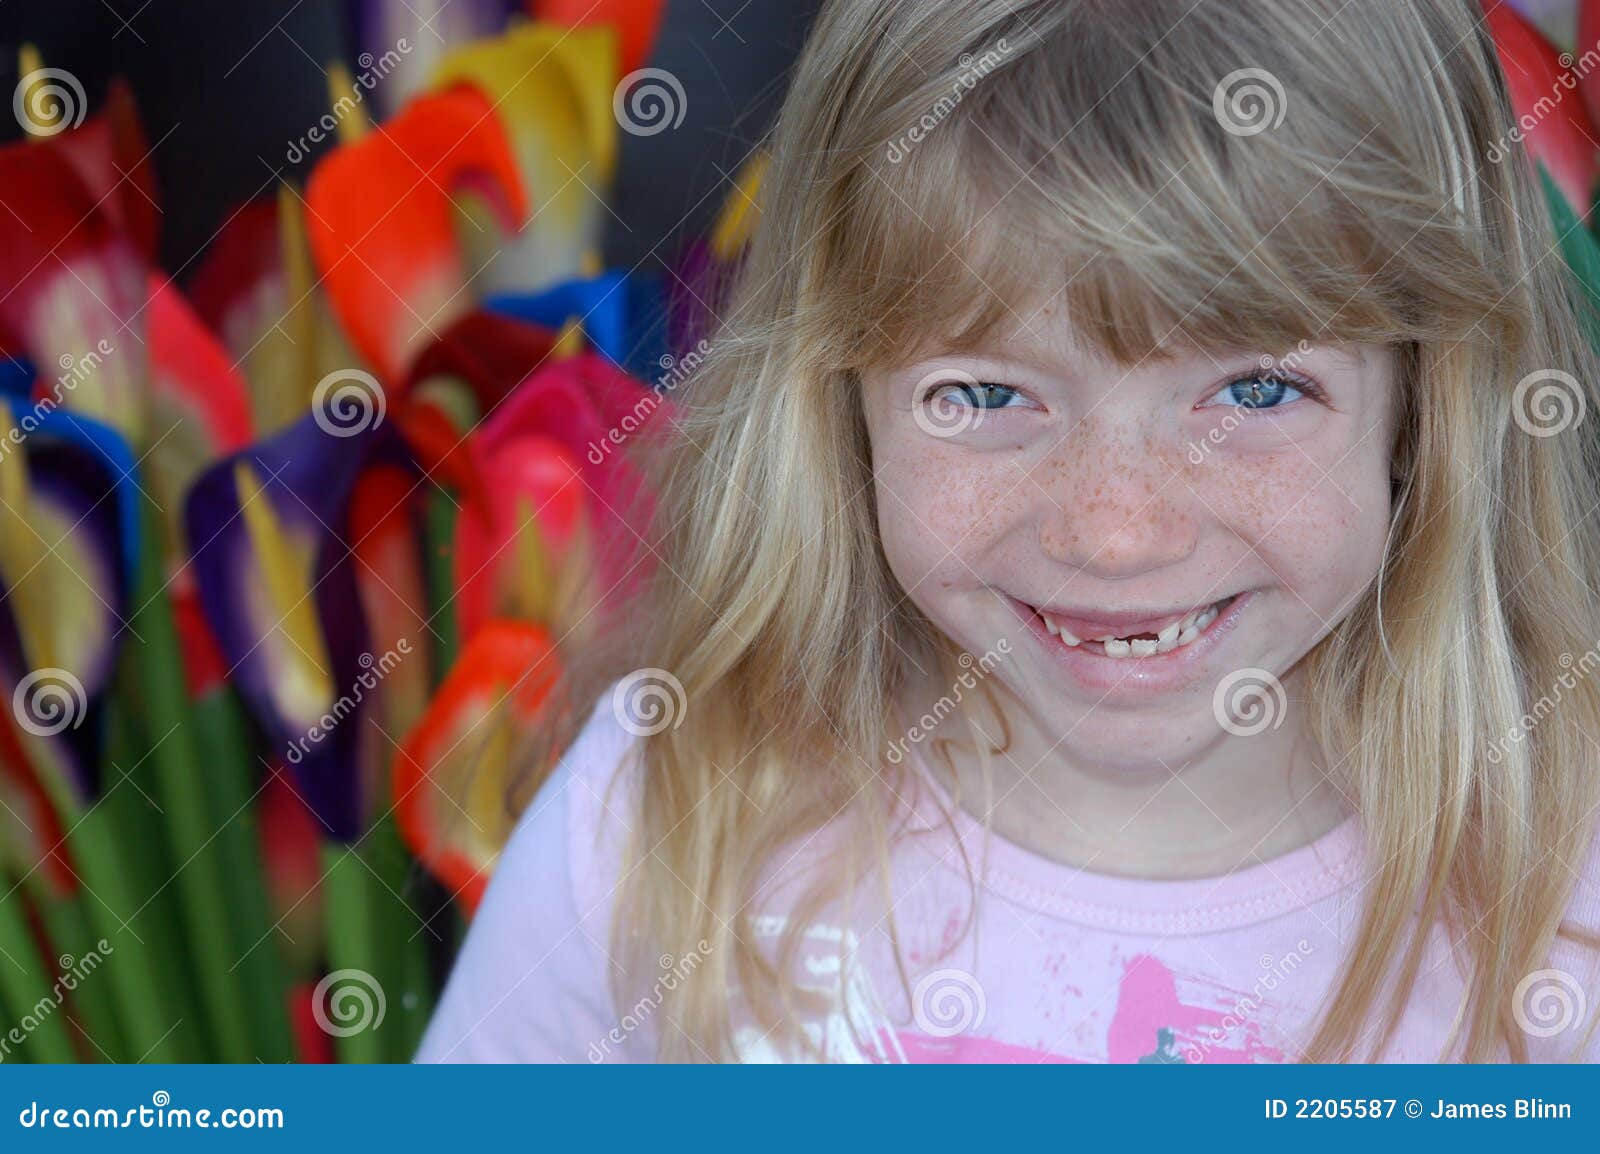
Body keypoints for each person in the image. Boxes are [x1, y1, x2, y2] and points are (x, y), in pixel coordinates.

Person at [416, 0, 1600, 1063]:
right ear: (839, 408)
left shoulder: (1564, 888)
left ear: (1425, 409)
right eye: (983, 396)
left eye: (1252, 391)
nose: (1117, 532)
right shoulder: (656, 814)